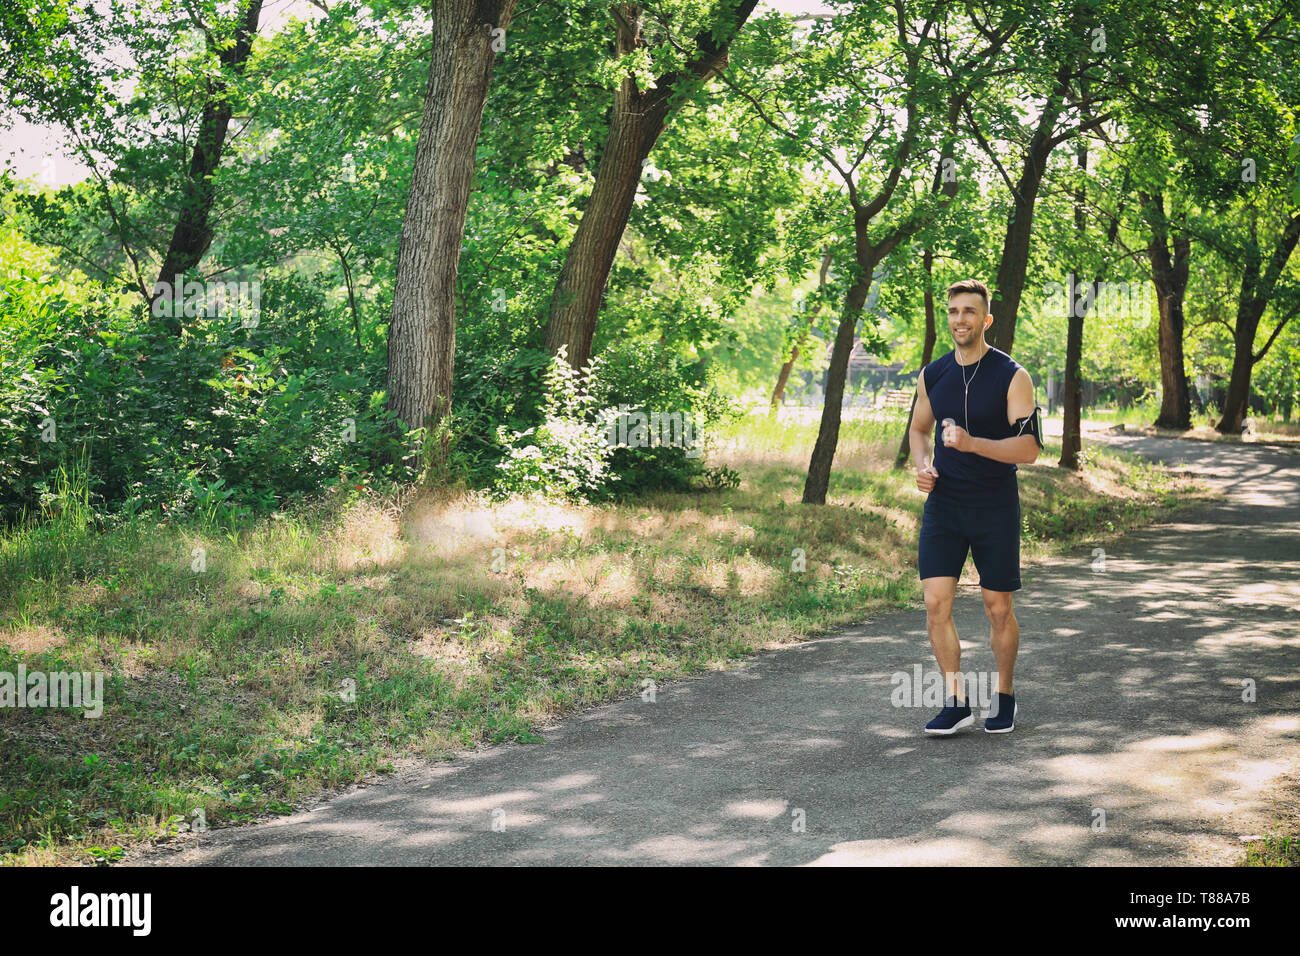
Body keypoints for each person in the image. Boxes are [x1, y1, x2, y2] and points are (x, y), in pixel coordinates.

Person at [908, 279, 1043, 735]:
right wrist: (923, 466)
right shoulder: (933, 374)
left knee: (997, 607)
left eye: (969, 311)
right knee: (934, 603)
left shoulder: (1012, 375)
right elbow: (918, 430)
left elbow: (1029, 449)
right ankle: (956, 701)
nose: (959, 319)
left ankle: (1003, 696)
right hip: (944, 505)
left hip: (994, 506)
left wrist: (972, 444)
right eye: (952, 311)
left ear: (986, 320)